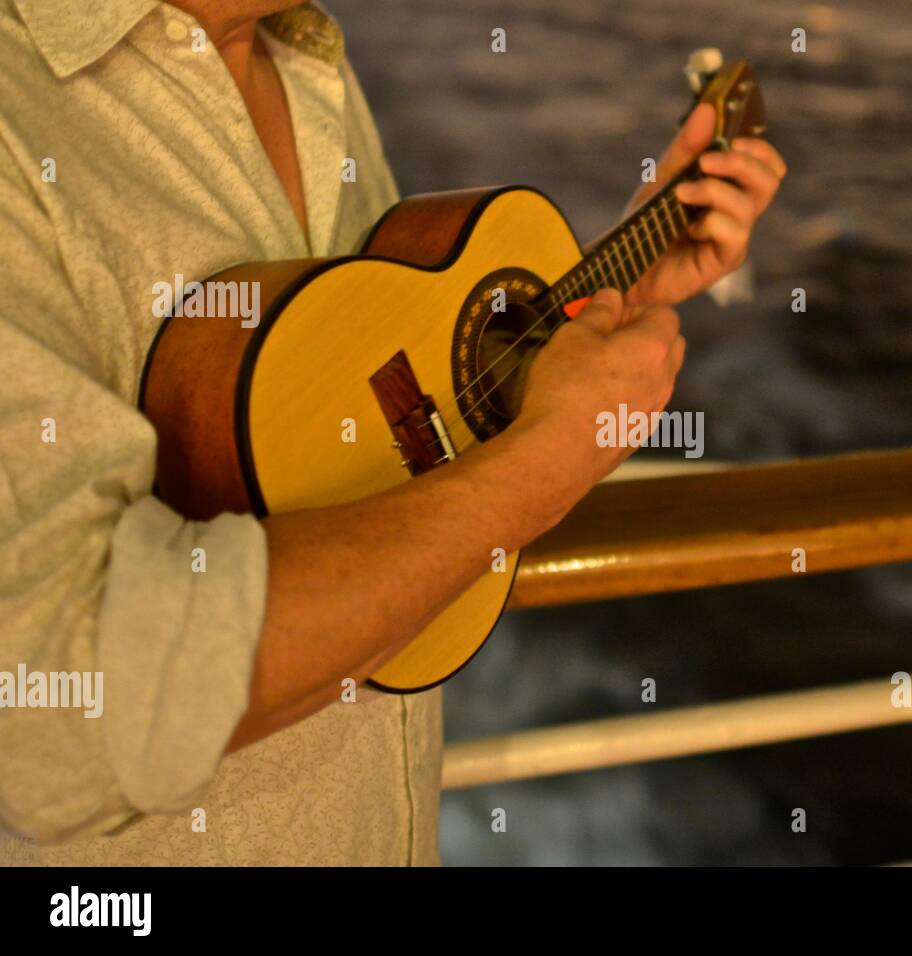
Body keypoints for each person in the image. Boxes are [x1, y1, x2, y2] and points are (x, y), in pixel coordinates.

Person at [0, 0, 784, 865]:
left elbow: (382, 402)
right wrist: (543, 467)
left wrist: (602, 302)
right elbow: (57, 721)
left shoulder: (307, 57)